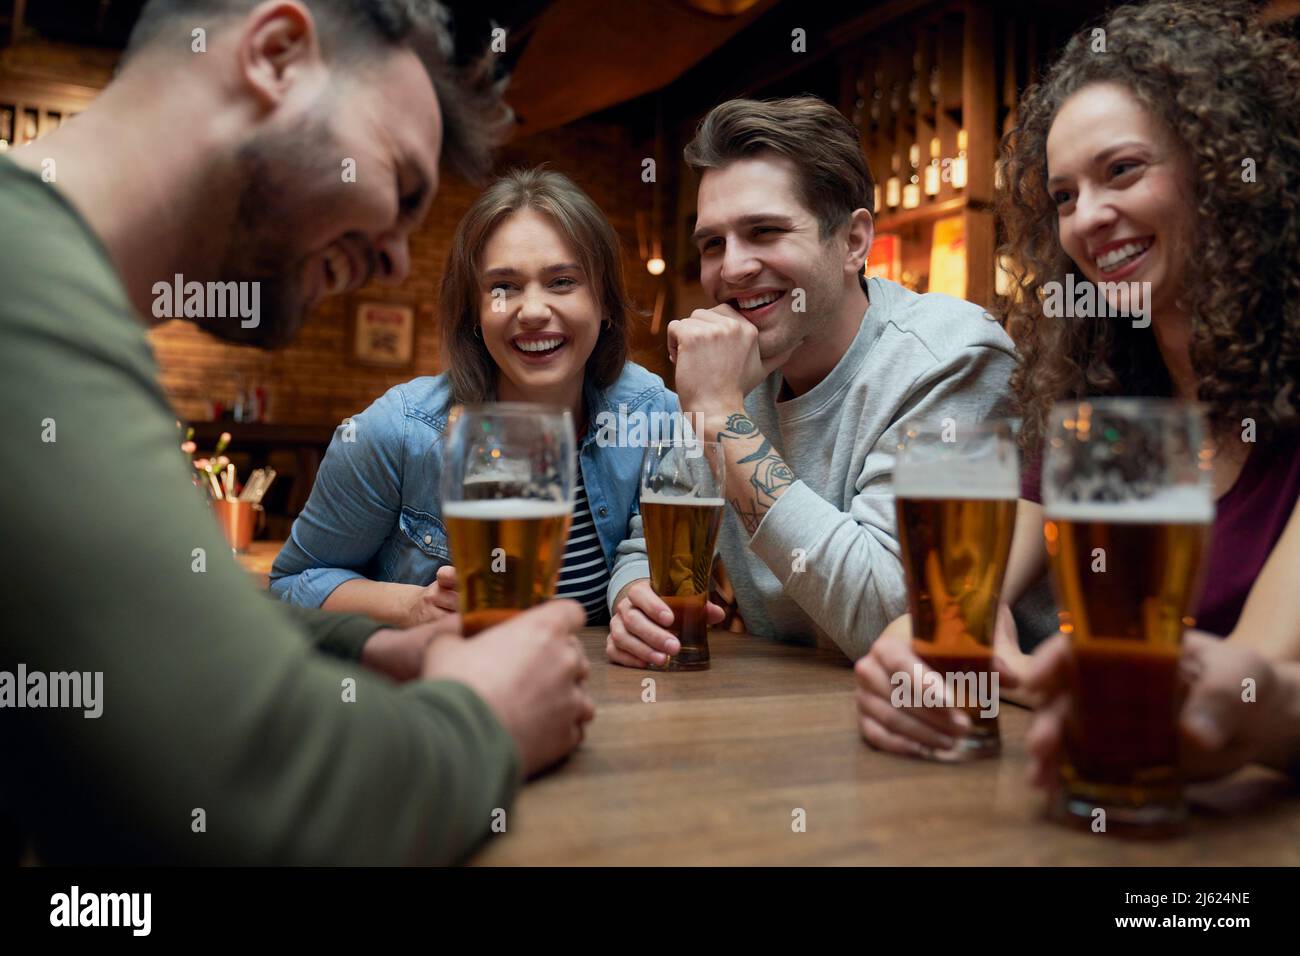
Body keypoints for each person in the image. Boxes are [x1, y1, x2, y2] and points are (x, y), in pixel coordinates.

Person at [0, 0, 593, 864]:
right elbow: (253, 800)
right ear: (276, 55)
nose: (398, 257)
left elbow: (176, 632)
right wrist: (485, 717)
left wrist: (376, 647)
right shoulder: (23, 290)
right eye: (403, 183)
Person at [855, 0, 1300, 770]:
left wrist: (1012, 678)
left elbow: (1241, 684)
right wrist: (925, 650)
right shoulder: (1096, 406)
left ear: (1226, 170)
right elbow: (971, 596)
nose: (1088, 219)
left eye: (1121, 171)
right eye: (1062, 197)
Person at [605, 94, 1017, 668]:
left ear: (852, 242)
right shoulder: (732, 369)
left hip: (967, 730)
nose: (731, 268)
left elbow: (897, 617)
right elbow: (647, 542)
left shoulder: (950, 355)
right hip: (794, 727)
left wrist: (723, 419)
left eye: (766, 231)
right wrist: (633, 600)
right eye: (712, 243)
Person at [271, 168, 679, 630]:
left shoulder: (650, 412)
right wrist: (413, 606)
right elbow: (292, 582)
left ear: (604, 302)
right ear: (475, 313)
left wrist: (637, 594)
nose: (533, 311)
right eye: (503, 287)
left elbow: (651, 552)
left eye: (562, 281)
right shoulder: (397, 430)